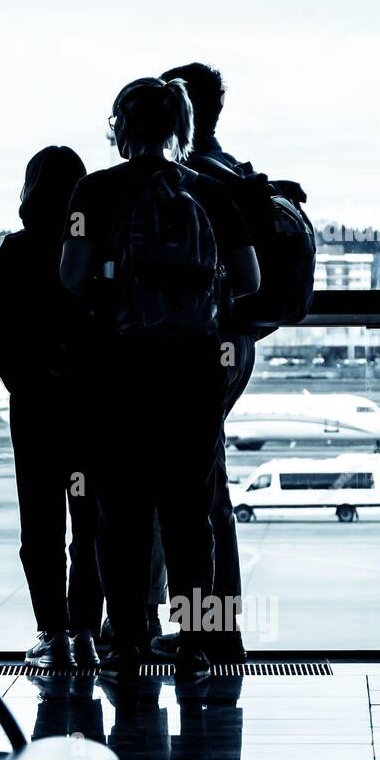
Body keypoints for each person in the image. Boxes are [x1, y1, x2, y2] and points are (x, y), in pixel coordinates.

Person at [60, 77, 259, 680]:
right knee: (188, 511)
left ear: (120, 125)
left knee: (120, 511)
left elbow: (72, 273)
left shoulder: (91, 192)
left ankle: (124, 642)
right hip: (194, 370)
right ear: (183, 128)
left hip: (119, 370)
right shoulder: (214, 194)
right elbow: (249, 277)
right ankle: (196, 644)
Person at [152, 61, 261, 664]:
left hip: (189, 354)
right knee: (206, 489)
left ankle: (203, 628)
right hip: (227, 350)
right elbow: (250, 280)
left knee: (194, 495)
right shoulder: (233, 179)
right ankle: (215, 627)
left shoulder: (188, 181)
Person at [0, 145, 103, 668]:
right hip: (91, 405)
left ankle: (52, 632)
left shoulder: (17, 249)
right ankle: (86, 631)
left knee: (42, 522)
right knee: (90, 522)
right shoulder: (93, 246)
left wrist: (26, 381)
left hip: (35, 406)